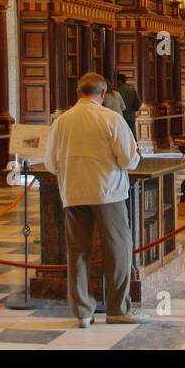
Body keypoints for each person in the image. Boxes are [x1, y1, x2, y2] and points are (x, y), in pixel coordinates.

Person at [43, 73, 147, 327]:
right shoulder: (111, 118)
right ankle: (117, 309)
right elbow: (128, 160)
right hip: (108, 192)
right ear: (103, 94)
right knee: (118, 250)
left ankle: (83, 312)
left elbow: (49, 162)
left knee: (77, 251)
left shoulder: (61, 121)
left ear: (78, 93)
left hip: (73, 192)